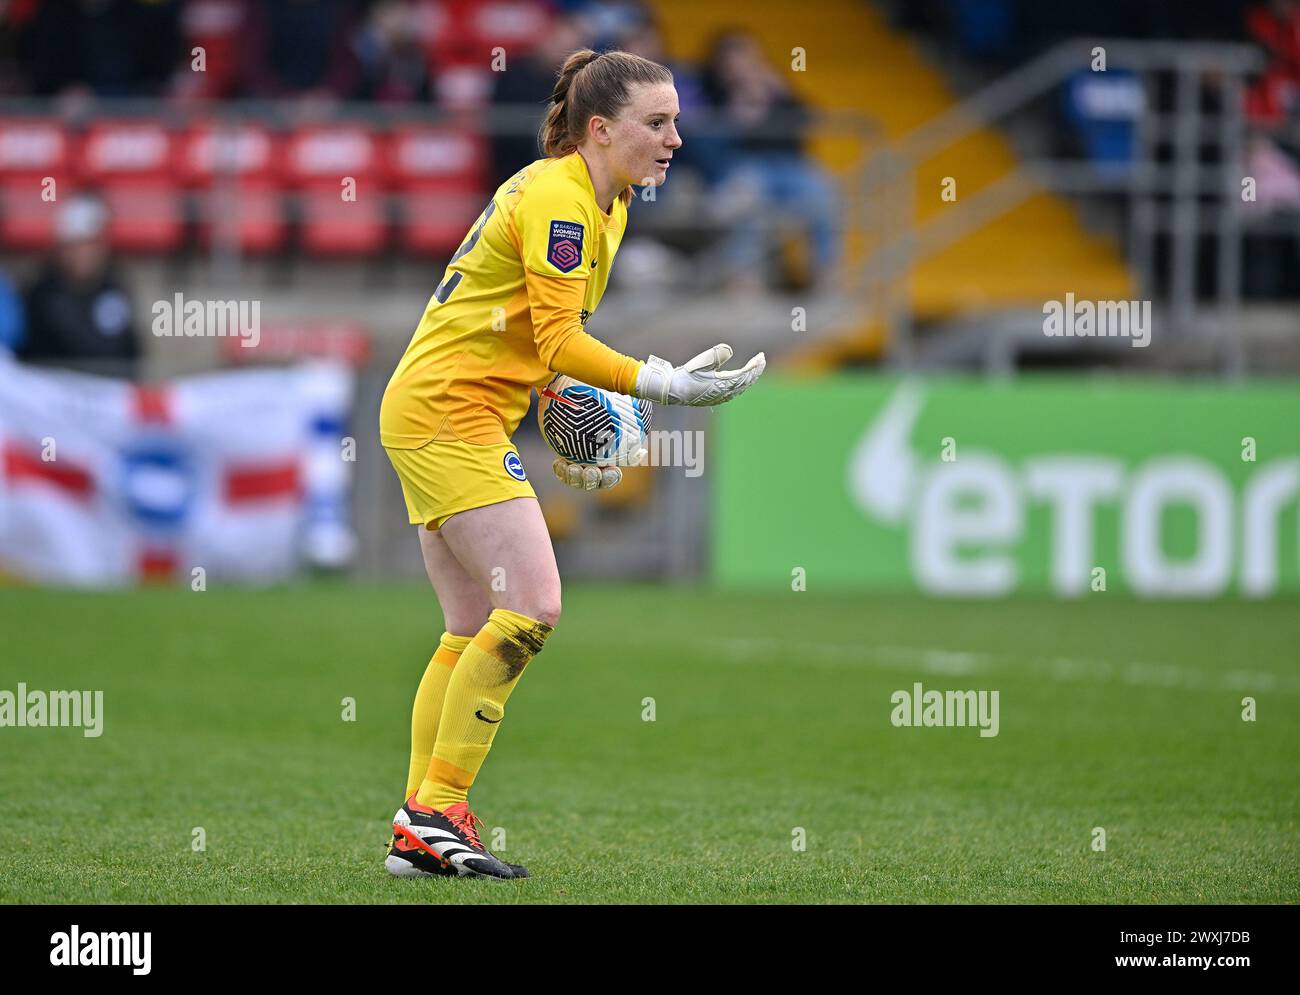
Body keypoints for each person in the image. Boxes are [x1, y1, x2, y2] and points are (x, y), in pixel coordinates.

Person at [378, 48, 766, 880]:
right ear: (601, 128)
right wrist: (664, 383)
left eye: (675, 122)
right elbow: (557, 337)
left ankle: (420, 830)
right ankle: (439, 807)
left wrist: (560, 401)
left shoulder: (606, 200)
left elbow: (534, 336)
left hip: (440, 404)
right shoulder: (561, 200)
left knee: (466, 626)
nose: (675, 139)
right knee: (535, 607)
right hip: (452, 412)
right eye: (656, 123)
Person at [19, 194, 140, 378]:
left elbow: (129, 351)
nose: (84, 255)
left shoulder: (113, 290)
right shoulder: (40, 295)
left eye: (91, 245)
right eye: (76, 246)